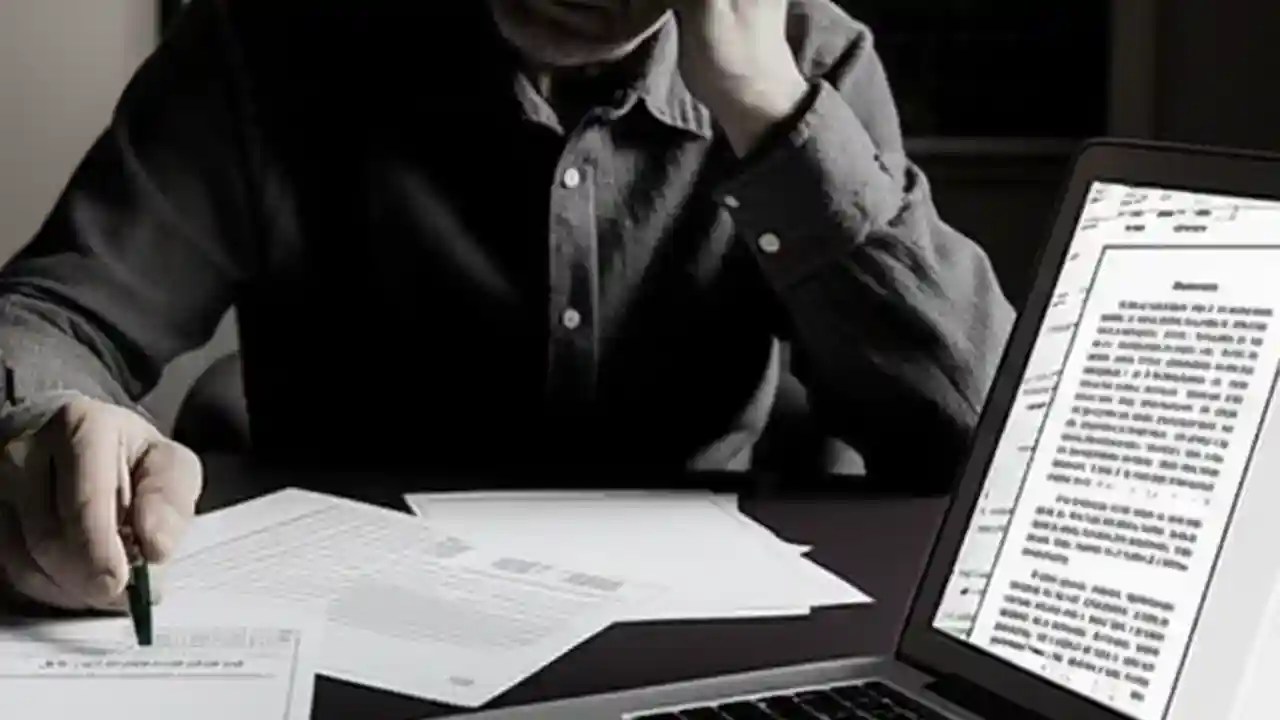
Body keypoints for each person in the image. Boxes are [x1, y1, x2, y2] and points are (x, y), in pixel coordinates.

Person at [0, 0, 1013, 613]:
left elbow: (984, 448)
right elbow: (62, 315)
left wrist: (766, 106)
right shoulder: (266, 43)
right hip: (341, 629)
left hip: (707, 643)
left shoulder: (805, 58)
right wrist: (47, 428)